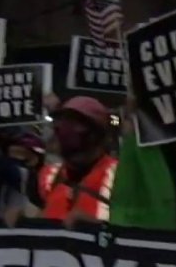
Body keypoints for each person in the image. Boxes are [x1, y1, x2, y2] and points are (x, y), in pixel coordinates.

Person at [38, 96, 119, 224]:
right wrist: (22, 220)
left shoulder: (119, 174)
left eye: (73, 123)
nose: (61, 129)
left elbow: (137, 225)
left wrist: (95, 227)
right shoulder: (49, 175)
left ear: (94, 133)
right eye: (61, 122)